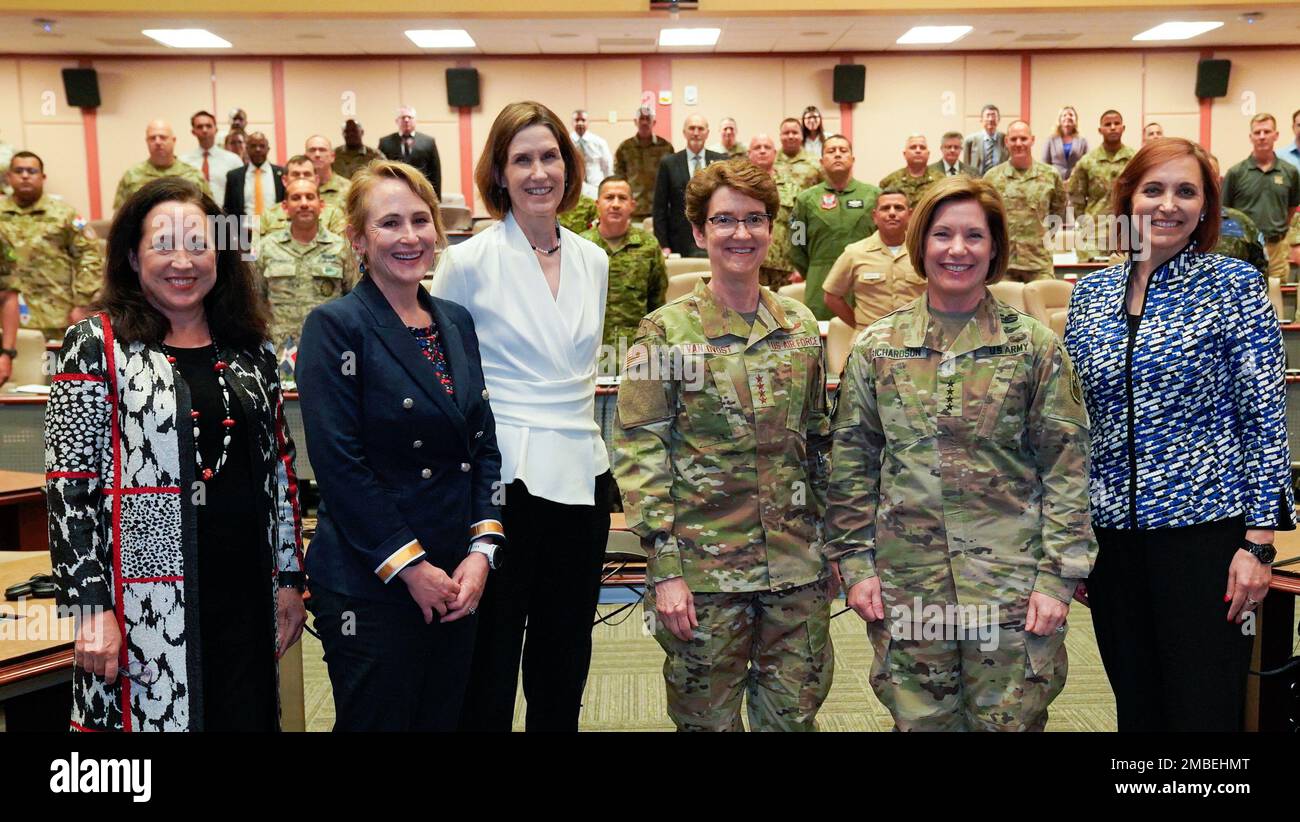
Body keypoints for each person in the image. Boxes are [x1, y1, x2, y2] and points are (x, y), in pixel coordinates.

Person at [826, 175, 1094, 731]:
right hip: (909, 587)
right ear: (921, 244)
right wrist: (854, 565)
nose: (957, 249)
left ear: (994, 248)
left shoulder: (1035, 348)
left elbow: (1067, 468)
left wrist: (1057, 579)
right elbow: (851, 464)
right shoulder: (877, 348)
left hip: (1012, 588)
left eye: (974, 235)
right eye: (943, 234)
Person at [46, 176, 306, 732]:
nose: (182, 260)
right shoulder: (96, 343)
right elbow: (68, 487)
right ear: (133, 258)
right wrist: (89, 610)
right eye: (162, 243)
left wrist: (289, 579)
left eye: (198, 242)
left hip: (245, 590)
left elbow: (280, 473)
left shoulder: (250, 349)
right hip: (144, 600)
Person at [1065, 137, 1295, 732]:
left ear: (1205, 207)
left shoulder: (1235, 288)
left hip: (1207, 539)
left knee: (1202, 713)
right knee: (1136, 707)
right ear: (1127, 199)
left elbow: (1265, 421)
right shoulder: (1089, 296)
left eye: (1186, 191)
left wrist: (1258, 546)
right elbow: (1078, 426)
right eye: (1154, 189)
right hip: (1113, 538)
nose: (1169, 205)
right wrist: (1075, 540)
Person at [613, 158, 833, 731]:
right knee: (706, 723)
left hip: (796, 569)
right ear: (698, 232)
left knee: (792, 719)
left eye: (755, 219)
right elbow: (641, 456)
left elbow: (818, 443)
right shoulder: (664, 332)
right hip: (704, 576)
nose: (741, 234)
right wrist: (664, 571)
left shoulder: (802, 326)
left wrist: (835, 548)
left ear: (771, 228)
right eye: (725, 221)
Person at [296, 160, 503, 731]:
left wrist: (481, 555)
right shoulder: (334, 327)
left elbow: (483, 447)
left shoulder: (456, 322)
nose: (409, 237)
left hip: (457, 579)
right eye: (389, 224)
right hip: (374, 582)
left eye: (420, 220)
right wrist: (412, 569)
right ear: (359, 239)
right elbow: (340, 466)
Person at [431, 101, 612, 732]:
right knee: (492, 658)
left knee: (564, 656)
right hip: (501, 481)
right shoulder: (467, 262)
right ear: (500, 173)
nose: (540, 172)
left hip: (581, 474)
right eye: (523, 159)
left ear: (569, 165)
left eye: (551, 156)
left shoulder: (595, 260)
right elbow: (445, 381)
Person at [0, 152, 102, 342]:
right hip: (6, 322)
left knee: (57, 371)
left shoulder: (64, 214)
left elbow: (90, 256)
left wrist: (82, 303)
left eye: (31, 171)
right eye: (18, 171)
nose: (25, 176)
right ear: (9, 177)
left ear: (42, 177)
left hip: (56, 318)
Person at [254, 177, 351, 376]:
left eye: (310, 197)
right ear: (285, 207)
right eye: (296, 198)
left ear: (321, 205)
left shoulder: (341, 248)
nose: (304, 203)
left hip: (330, 348)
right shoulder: (266, 248)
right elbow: (256, 302)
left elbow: (353, 301)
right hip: (281, 352)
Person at [789, 134, 879, 320]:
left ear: (852, 159)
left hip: (865, 283)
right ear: (822, 160)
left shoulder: (873, 195)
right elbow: (796, 245)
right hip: (820, 283)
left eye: (843, 150)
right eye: (831, 151)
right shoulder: (806, 199)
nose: (837, 155)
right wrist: (814, 271)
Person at [579, 175, 666, 355]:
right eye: (609, 197)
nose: (616, 204)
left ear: (632, 205)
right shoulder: (580, 246)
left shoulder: (648, 245)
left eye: (622, 198)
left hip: (636, 351)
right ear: (597, 204)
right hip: (590, 351)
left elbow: (657, 303)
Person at [822, 188, 925, 328]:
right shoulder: (854, 253)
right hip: (869, 344)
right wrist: (861, 327)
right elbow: (831, 297)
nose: (892, 213)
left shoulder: (924, 252)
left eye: (899, 208)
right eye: (885, 208)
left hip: (914, 339)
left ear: (910, 215)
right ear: (875, 216)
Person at [983, 120, 1066, 281]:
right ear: (1006, 141)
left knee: (1041, 305)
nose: (1018, 143)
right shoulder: (992, 177)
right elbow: (986, 218)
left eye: (1023, 138)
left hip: (1039, 263)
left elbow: (1057, 213)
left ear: (1032, 140)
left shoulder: (1050, 175)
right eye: (1013, 139)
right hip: (1003, 264)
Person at [1222, 113, 1300, 282]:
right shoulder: (1236, 173)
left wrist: (1278, 231)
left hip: (1277, 249)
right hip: (1244, 249)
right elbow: (1225, 212)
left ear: (1276, 135)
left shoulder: (1290, 172)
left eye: (1267, 131)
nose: (1262, 137)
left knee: (1278, 300)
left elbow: (1292, 208)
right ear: (1251, 137)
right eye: (1257, 133)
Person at [652, 115, 726, 257]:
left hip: (716, 235)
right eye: (692, 128)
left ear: (707, 133)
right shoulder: (669, 163)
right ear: (684, 132)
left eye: (700, 128)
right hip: (679, 241)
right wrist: (663, 245)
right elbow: (659, 208)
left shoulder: (721, 161)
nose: (696, 132)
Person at [1068, 110, 1135, 261]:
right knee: (1090, 279)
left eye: (1116, 123)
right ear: (1100, 130)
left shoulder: (1135, 159)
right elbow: (1076, 197)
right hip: (1094, 232)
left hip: (1127, 231)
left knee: (1129, 280)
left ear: (1123, 128)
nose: (1112, 127)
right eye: (1107, 124)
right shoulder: (1087, 162)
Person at [113, 120, 211, 210]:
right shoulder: (131, 176)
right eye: (152, 138)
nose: (158, 142)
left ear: (174, 140)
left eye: (163, 137)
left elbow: (209, 213)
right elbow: (120, 217)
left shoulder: (194, 175)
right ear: (147, 142)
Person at [748, 133, 801, 289]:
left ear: (775, 153)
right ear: (748, 153)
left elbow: (799, 226)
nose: (762, 151)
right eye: (757, 147)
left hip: (783, 267)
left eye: (767, 147)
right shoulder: (738, 187)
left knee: (783, 311)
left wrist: (799, 264)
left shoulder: (791, 186)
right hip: (748, 264)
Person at [258, 155, 347, 238]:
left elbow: (343, 250)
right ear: (285, 180)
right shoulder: (267, 215)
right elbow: (255, 252)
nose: (301, 178)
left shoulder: (333, 214)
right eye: (295, 174)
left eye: (307, 174)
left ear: (316, 180)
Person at [614, 106, 674, 221]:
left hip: (660, 208)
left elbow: (671, 178)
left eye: (648, 118)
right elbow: (619, 177)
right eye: (641, 118)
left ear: (654, 122)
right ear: (635, 122)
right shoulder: (625, 147)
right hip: (633, 209)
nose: (645, 122)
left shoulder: (666, 147)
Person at [179, 110, 243, 206]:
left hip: (225, 216)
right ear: (193, 131)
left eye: (208, 126)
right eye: (200, 127)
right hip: (193, 214)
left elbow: (241, 193)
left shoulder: (233, 160)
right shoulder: (183, 161)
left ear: (216, 129)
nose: (204, 130)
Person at [378, 106, 442, 198]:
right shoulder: (385, 142)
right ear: (396, 121)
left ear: (415, 121)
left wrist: (436, 198)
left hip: (421, 192)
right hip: (393, 193)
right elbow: (380, 171)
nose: (406, 120)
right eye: (403, 117)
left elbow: (436, 172)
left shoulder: (428, 142)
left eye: (410, 117)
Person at [223, 132, 284, 218]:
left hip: (275, 228)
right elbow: (228, 209)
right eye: (253, 146)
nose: (258, 149)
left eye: (262, 146)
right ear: (247, 149)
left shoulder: (281, 174)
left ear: (268, 149)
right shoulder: (234, 176)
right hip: (244, 229)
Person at [879, 134, 945, 206]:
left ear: (928, 154)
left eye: (922, 148)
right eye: (913, 147)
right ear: (905, 154)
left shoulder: (942, 181)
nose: (918, 150)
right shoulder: (889, 182)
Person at [570, 109, 613, 199]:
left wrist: (609, 186)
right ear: (572, 122)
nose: (580, 123)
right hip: (574, 187)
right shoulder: (566, 142)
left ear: (588, 122)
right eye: (577, 120)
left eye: (583, 120)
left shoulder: (599, 142)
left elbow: (607, 166)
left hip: (596, 186)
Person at [304, 134, 352, 210]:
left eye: (322, 150)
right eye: (312, 150)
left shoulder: (349, 188)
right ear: (305, 157)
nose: (317, 154)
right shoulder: (298, 188)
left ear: (332, 157)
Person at [1043, 105, 1089, 181]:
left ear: (1076, 120)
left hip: (1077, 181)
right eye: (1064, 115)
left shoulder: (1083, 140)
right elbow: (1045, 164)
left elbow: (1087, 163)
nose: (1068, 117)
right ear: (1060, 120)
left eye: (1071, 115)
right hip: (1055, 181)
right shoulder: (1051, 140)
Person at [775, 118, 822, 189]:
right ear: (780, 136)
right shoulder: (771, 161)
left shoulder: (816, 162)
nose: (790, 136)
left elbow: (824, 189)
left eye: (795, 133)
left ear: (802, 136)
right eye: (786, 133)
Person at [963, 104, 1007, 176]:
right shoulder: (970, 140)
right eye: (988, 115)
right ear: (981, 119)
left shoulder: (1005, 139)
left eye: (993, 115)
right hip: (977, 182)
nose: (990, 119)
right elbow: (966, 166)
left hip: (999, 182)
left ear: (998, 119)